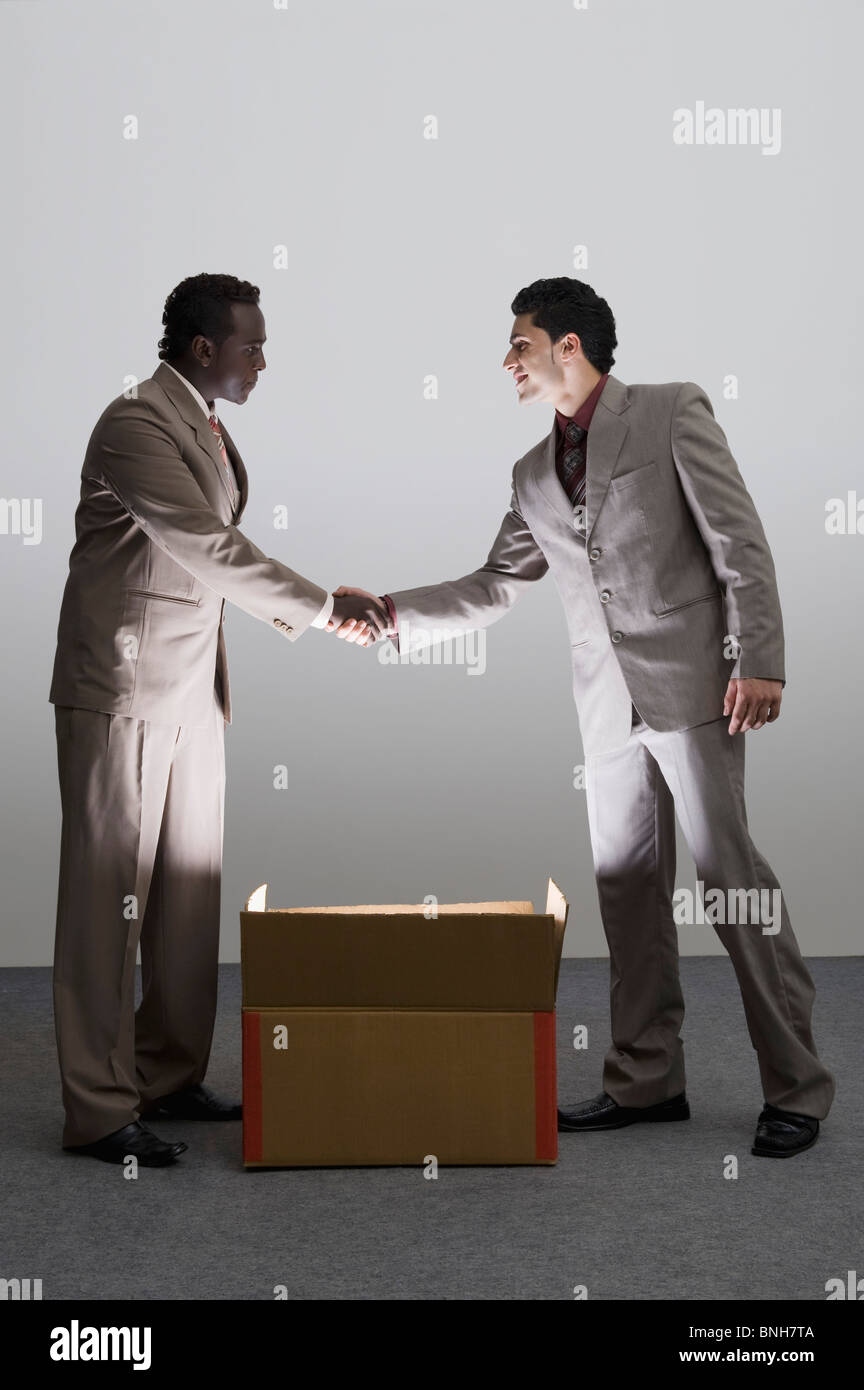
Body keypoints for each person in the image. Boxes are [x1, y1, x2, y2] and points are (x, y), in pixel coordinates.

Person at [333, 276, 835, 1159]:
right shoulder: (532, 473)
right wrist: (394, 613)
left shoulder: (673, 412)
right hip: (604, 707)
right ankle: (646, 1081)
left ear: (570, 347)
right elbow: (494, 585)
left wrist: (760, 658)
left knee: (731, 879)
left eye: (519, 343)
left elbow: (739, 540)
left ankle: (797, 1087)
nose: (507, 361)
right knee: (627, 891)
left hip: (696, 687)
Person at [49, 272, 388, 1167]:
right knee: (104, 901)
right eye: (253, 347)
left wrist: (320, 599)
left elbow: (218, 548)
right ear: (205, 349)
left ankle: (167, 1074)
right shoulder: (134, 423)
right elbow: (206, 542)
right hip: (122, 689)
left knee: (187, 894)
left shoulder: (203, 421)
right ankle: (97, 1105)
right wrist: (321, 609)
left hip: (194, 690)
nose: (264, 361)